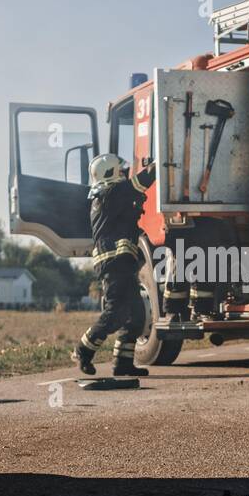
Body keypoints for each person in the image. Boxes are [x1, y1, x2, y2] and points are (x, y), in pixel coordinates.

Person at [73, 153, 155, 377]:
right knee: (114, 313)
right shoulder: (110, 193)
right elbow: (139, 184)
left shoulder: (110, 195)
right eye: (121, 171)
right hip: (113, 264)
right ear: (110, 173)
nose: (125, 174)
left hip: (122, 264)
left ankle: (123, 363)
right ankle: (83, 350)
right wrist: (159, 166)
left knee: (137, 316)